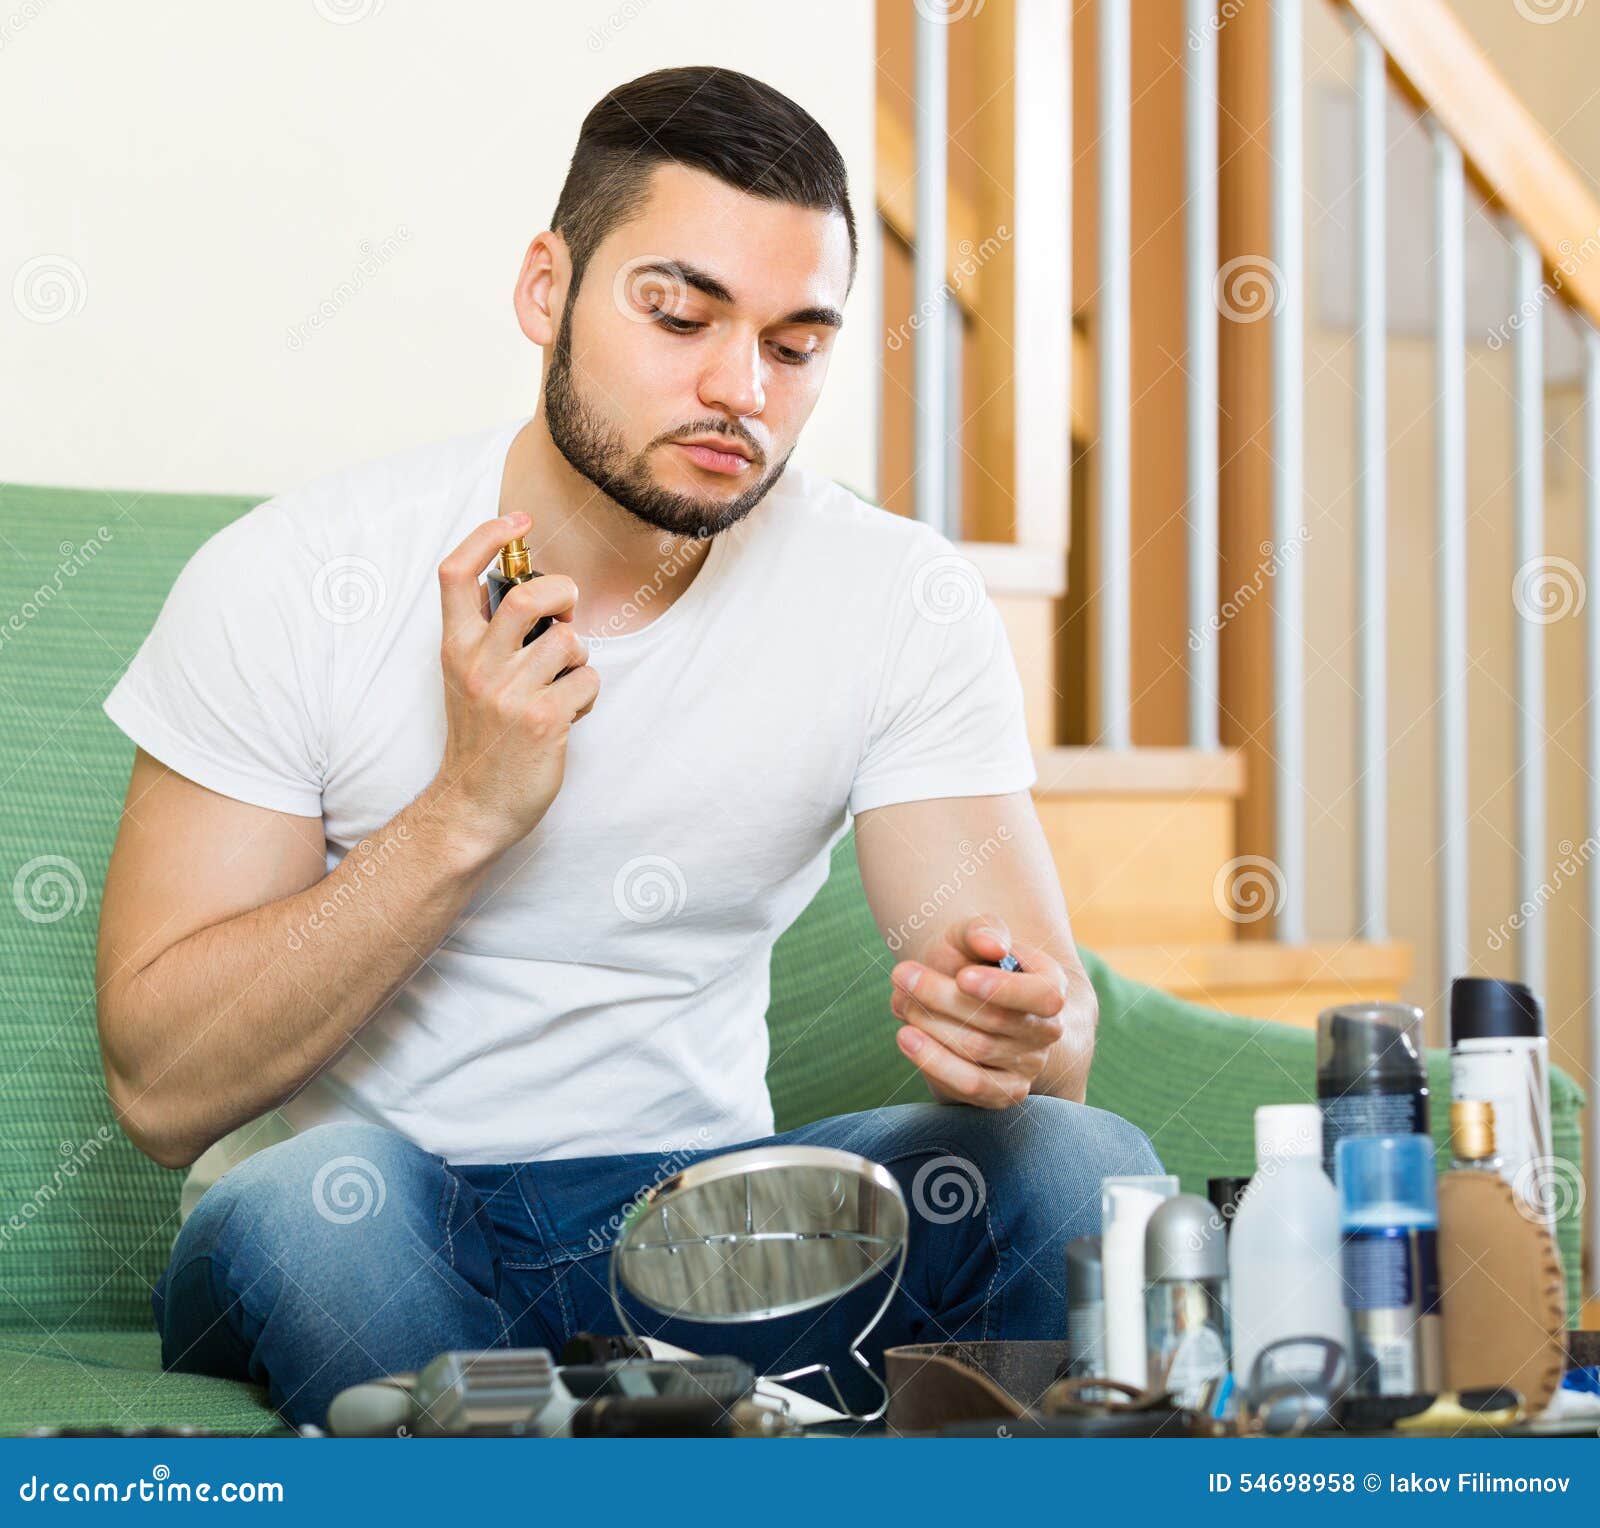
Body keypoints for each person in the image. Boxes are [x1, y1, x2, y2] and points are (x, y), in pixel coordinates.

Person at [95, 65, 1160, 1428]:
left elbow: (1046, 1050)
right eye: (679, 315)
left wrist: (1022, 1032)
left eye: (795, 345)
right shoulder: (295, 579)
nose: (739, 389)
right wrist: (469, 808)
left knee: (1077, 1165)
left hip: (711, 1232)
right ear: (547, 290)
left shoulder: (894, 597)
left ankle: (700, 1433)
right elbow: (161, 1089)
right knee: (311, 1207)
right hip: (377, 1209)